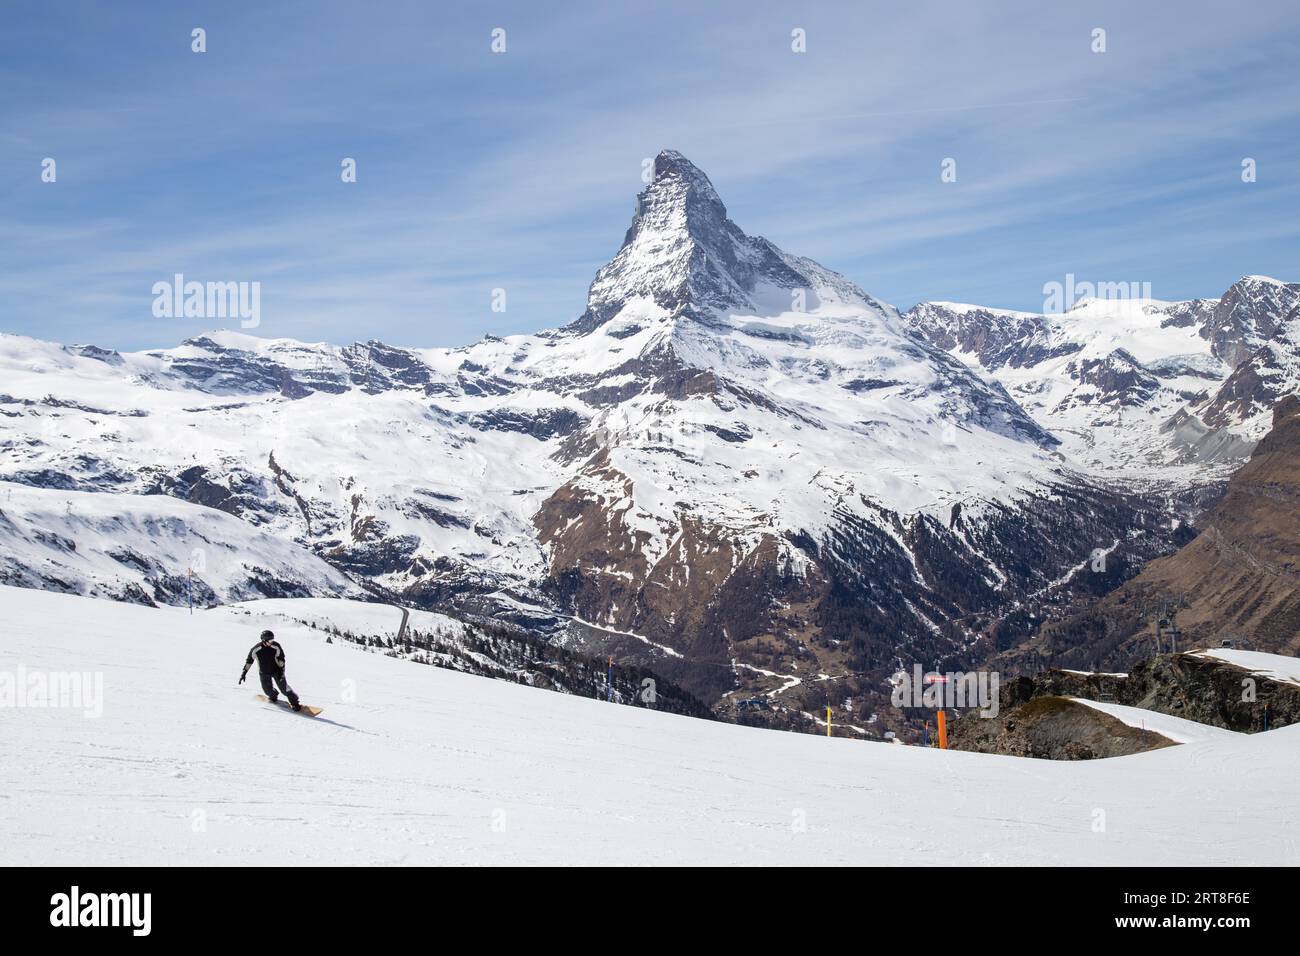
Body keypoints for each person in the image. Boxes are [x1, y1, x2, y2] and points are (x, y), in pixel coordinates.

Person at [239, 630, 301, 711]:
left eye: (273, 640)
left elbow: (282, 658)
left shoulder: (276, 646)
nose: (272, 642)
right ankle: (273, 696)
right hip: (264, 672)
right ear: (264, 640)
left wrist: (281, 671)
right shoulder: (256, 649)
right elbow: (249, 661)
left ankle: (295, 703)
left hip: (277, 671)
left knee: (285, 689)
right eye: (270, 640)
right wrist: (244, 673)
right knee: (267, 691)